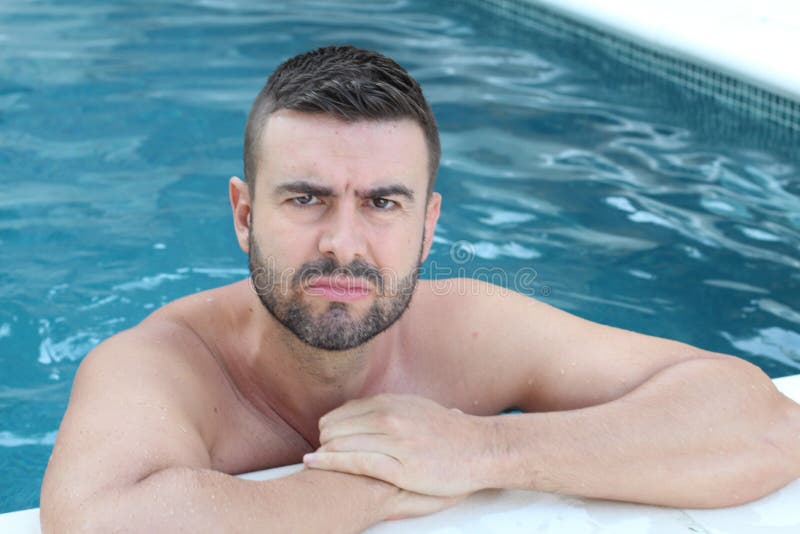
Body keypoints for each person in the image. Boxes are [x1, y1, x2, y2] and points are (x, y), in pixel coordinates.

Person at [40, 45, 799, 532]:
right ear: (244, 215)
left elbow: (766, 426)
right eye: (305, 198)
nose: (343, 242)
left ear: (430, 226)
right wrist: (378, 486)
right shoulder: (161, 366)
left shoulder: (471, 330)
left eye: (383, 202)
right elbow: (96, 520)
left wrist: (483, 447)